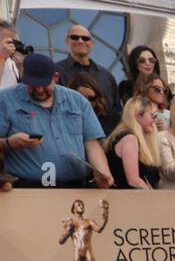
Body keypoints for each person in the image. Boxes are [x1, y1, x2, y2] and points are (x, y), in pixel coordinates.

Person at [0, 54, 112, 188]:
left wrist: (102, 172)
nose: (40, 90)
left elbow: (92, 144)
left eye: (44, 84)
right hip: (28, 188)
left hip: (76, 189)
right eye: (33, 85)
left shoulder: (77, 101)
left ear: (56, 77)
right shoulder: (5, 100)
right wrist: (9, 143)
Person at [54, 24, 121, 131]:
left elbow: (116, 111)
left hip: (105, 139)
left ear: (92, 43)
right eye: (75, 37)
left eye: (85, 38)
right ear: (67, 41)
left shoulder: (106, 75)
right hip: (71, 137)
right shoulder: (56, 71)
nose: (80, 41)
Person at [105, 96, 162, 189]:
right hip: (124, 199)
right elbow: (134, 181)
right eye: (153, 116)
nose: (155, 120)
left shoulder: (127, 136)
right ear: (138, 116)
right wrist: (152, 196)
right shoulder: (129, 139)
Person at [0, 20, 22, 92]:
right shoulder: (3, 56)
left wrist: (21, 68)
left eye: (14, 41)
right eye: (8, 42)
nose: (12, 45)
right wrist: (1, 56)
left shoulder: (12, 61)